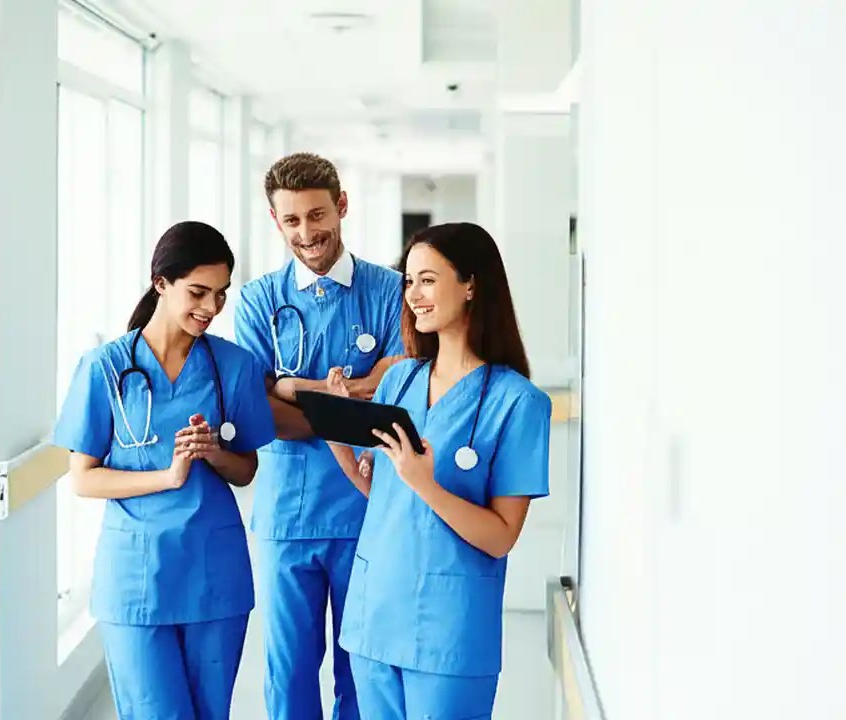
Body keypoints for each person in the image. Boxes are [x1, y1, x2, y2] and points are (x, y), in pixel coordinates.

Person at [326, 222, 551, 719]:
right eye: (408, 282)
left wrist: (424, 482)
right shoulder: (399, 380)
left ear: (471, 283)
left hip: (449, 626)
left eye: (427, 280)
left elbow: (500, 536)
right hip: (375, 614)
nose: (414, 295)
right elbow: (384, 494)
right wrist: (339, 433)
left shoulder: (518, 403)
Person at [53, 221, 275, 720]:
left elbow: (246, 470)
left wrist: (215, 452)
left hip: (213, 576)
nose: (211, 309)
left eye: (220, 295)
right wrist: (167, 476)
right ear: (161, 283)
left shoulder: (233, 367)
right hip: (135, 579)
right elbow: (84, 478)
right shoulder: (105, 368)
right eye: (198, 292)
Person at [233, 152, 404, 719]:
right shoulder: (259, 300)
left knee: (364, 662)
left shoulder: (387, 290)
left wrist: (300, 389)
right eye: (292, 221)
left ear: (342, 207)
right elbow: (259, 402)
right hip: (287, 513)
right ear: (276, 221)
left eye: (317, 215)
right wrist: (350, 394)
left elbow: (397, 379)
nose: (307, 233)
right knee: (289, 668)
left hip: (366, 506)